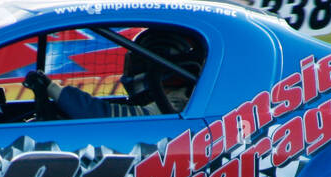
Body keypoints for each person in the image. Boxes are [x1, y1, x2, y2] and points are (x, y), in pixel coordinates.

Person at [24, 28, 202, 119]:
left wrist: (51, 88)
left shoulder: (171, 107)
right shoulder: (180, 100)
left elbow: (98, 113)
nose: (129, 70)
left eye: (136, 63)